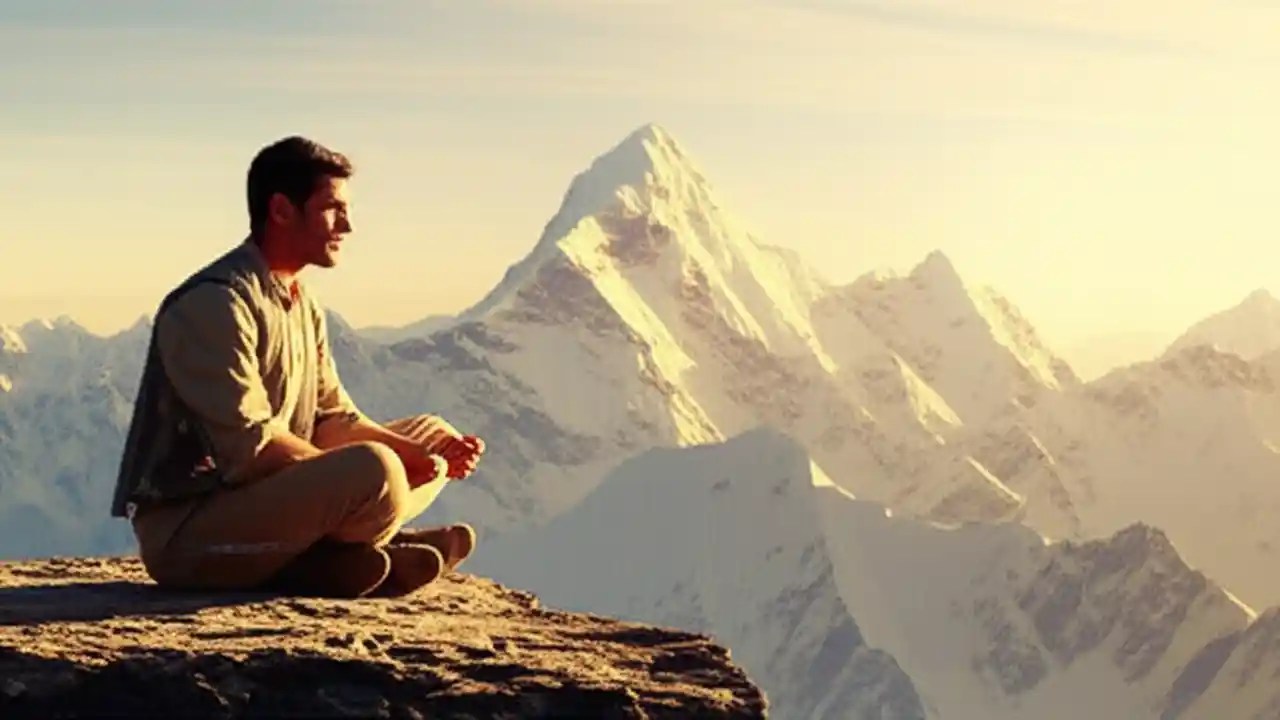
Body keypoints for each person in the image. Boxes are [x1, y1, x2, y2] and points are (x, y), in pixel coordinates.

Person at [110, 136, 485, 598]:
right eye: (332, 209)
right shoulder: (214, 304)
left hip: (272, 500)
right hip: (193, 531)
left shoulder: (302, 305)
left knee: (429, 434)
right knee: (375, 468)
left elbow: (332, 420)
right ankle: (343, 552)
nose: (346, 225)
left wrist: (416, 453)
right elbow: (251, 447)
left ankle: (332, 561)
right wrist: (374, 474)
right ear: (282, 210)